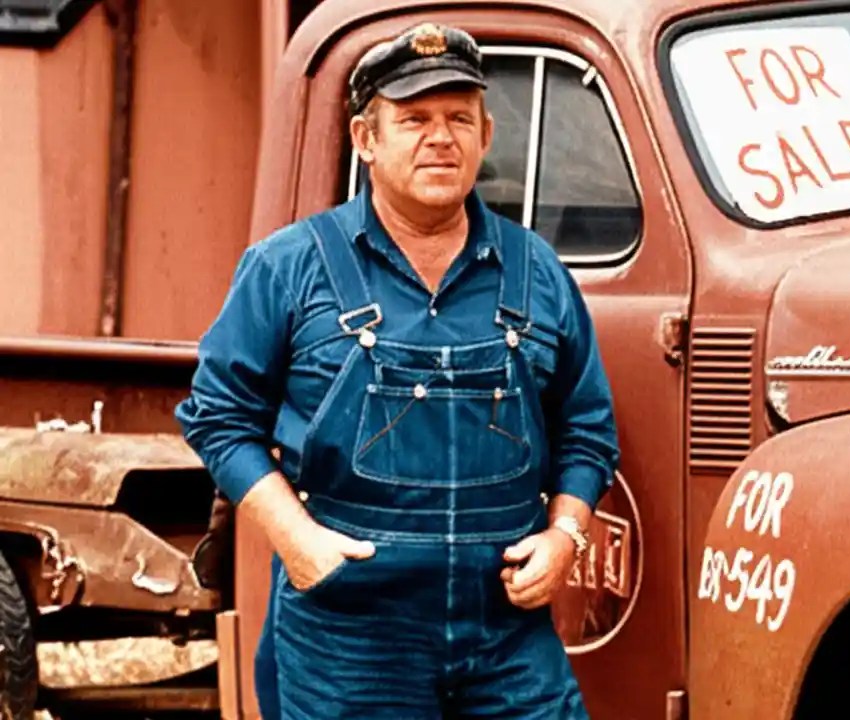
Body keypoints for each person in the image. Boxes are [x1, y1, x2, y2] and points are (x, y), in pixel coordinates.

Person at [175, 21, 620, 719]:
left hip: (505, 628)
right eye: (413, 119)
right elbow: (218, 416)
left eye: (458, 119)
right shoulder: (289, 267)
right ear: (365, 140)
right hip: (350, 629)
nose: (440, 137)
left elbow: (587, 427)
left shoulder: (536, 271)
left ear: (486, 136)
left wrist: (565, 535)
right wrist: (297, 542)